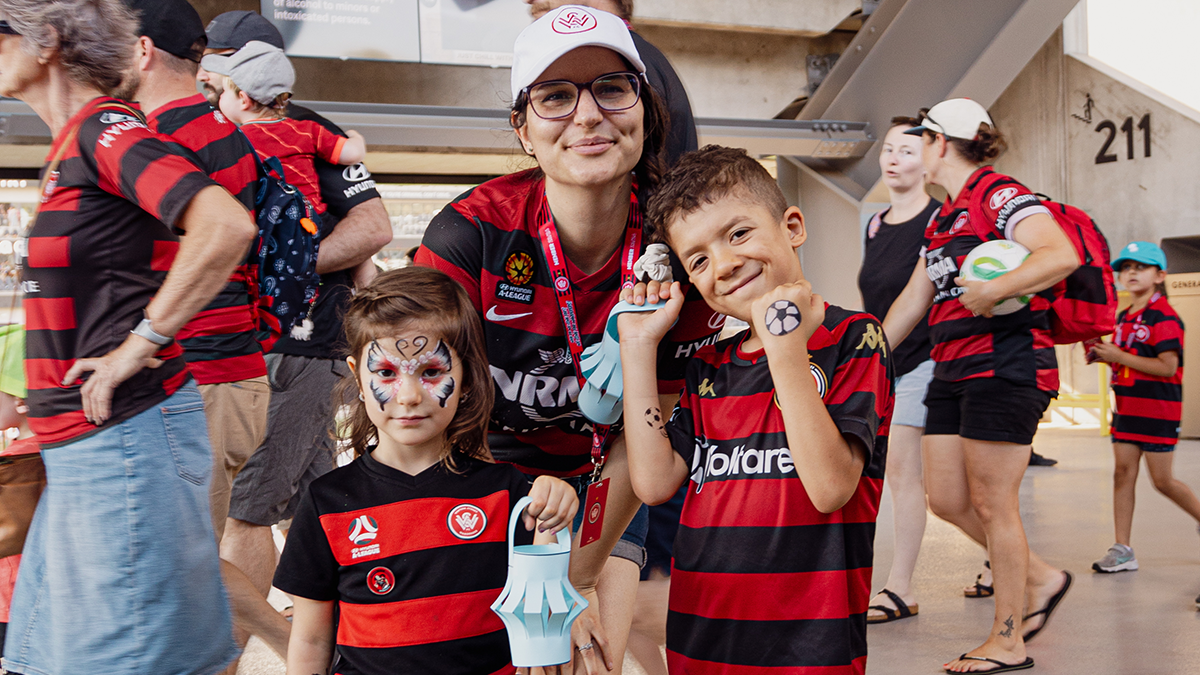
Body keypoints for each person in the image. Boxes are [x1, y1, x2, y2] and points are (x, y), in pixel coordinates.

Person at [418, 7, 721, 673]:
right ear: (523, 130)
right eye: (556, 97)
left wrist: (572, 578)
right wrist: (530, 555)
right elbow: (432, 420)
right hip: (483, 468)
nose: (587, 116)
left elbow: (640, 440)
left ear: (646, 111)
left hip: (603, 475)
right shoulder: (468, 234)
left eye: (612, 88)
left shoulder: (682, 250)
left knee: (583, 658)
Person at [0, 1, 257, 673]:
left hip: (121, 439)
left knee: (126, 658)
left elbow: (223, 224)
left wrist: (138, 344)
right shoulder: (70, 147)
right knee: (39, 656)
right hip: (82, 449)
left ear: (46, 40)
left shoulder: (103, 129)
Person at [617, 145, 891, 674]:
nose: (724, 263)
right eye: (698, 259)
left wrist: (784, 347)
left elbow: (830, 487)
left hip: (809, 649)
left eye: (738, 233)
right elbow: (653, 484)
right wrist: (637, 347)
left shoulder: (854, 338)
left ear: (792, 226)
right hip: (702, 639)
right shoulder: (709, 365)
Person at [197, 11, 393, 645]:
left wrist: (282, 264)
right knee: (321, 504)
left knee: (247, 514)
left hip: (292, 346)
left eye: (222, 58)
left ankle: (251, 654)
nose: (209, 69)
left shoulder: (309, 130)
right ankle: (353, 641)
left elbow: (372, 228)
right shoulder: (208, 125)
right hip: (264, 349)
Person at [277, 267, 579, 675]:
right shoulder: (326, 502)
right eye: (386, 372)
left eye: (431, 372)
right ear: (357, 378)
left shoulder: (508, 494)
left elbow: (547, 597)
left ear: (468, 377)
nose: (408, 395)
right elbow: (311, 638)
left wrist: (556, 502)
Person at [117, 0, 293, 664]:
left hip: (203, 381)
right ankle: (297, 647)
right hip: (229, 374)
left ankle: (301, 648)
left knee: (178, 558)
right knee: (180, 551)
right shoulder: (220, 132)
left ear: (139, 52)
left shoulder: (163, 138)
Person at [881, 98, 1079, 673]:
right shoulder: (942, 219)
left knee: (995, 503)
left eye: (920, 137)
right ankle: (1042, 579)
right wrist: (863, 357)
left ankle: (1008, 640)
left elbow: (1059, 253)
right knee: (945, 497)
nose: (913, 146)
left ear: (940, 143)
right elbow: (910, 304)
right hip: (953, 368)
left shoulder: (999, 194)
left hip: (1007, 366)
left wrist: (996, 289)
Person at [856, 116, 940, 624]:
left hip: (928, 360)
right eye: (889, 149)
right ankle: (997, 555)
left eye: (907, 151)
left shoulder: (939, 220)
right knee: (942, 480)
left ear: (928, 161)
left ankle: (900, 588)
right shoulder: (874, 222)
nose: (893, 159)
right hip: (888, 362)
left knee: (904, 472)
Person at [1089, 241, 1200, 577]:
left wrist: (1119, 357)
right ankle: (1122, 549)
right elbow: (1127, 361)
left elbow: (1167, 367)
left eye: (1141, 267)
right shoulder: (1124, 316)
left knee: (1163, 481)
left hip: (1158, 411)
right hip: (1127, 409)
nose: (1131, 273)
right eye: (1126, 268)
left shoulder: (1164, 316)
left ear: (1160, 275)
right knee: (1122, 474)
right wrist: (1104, 354)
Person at [201, 40, 366, 220]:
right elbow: (352, 153)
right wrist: (354, 136)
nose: (221, 96)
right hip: (312, 222)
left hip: (268, 225)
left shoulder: (236, 142)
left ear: (243, 99)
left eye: (224, 91)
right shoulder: (307, 130)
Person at [525, 0, 697, 168]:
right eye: (557, 96)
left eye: (609, 90)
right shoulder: (646, 56)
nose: (587, 116)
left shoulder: (635, 60)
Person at [0, 325, 34, 650]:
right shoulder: (52, 451)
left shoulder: (12, 466)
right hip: (41, 598)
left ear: (21, 400)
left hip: (10, 599)